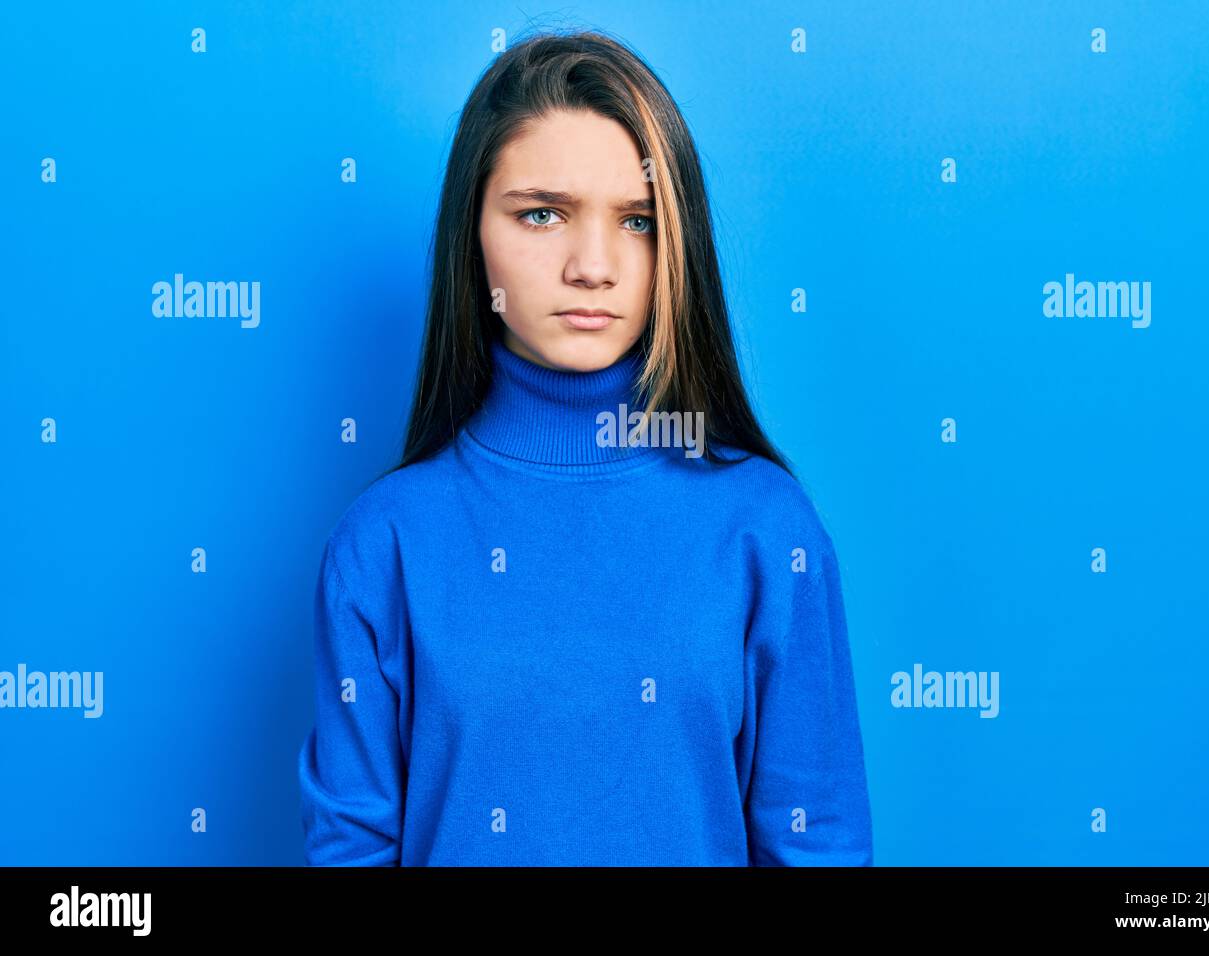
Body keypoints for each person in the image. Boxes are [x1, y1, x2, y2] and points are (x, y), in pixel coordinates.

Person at [296, 27, 873, 866]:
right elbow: (349, 850)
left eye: (636, 221)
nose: (593, 265)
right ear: (474, 234)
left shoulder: (766, 529)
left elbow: (818, 843)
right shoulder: (382, 544)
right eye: (541, 214)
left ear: (674, 243)